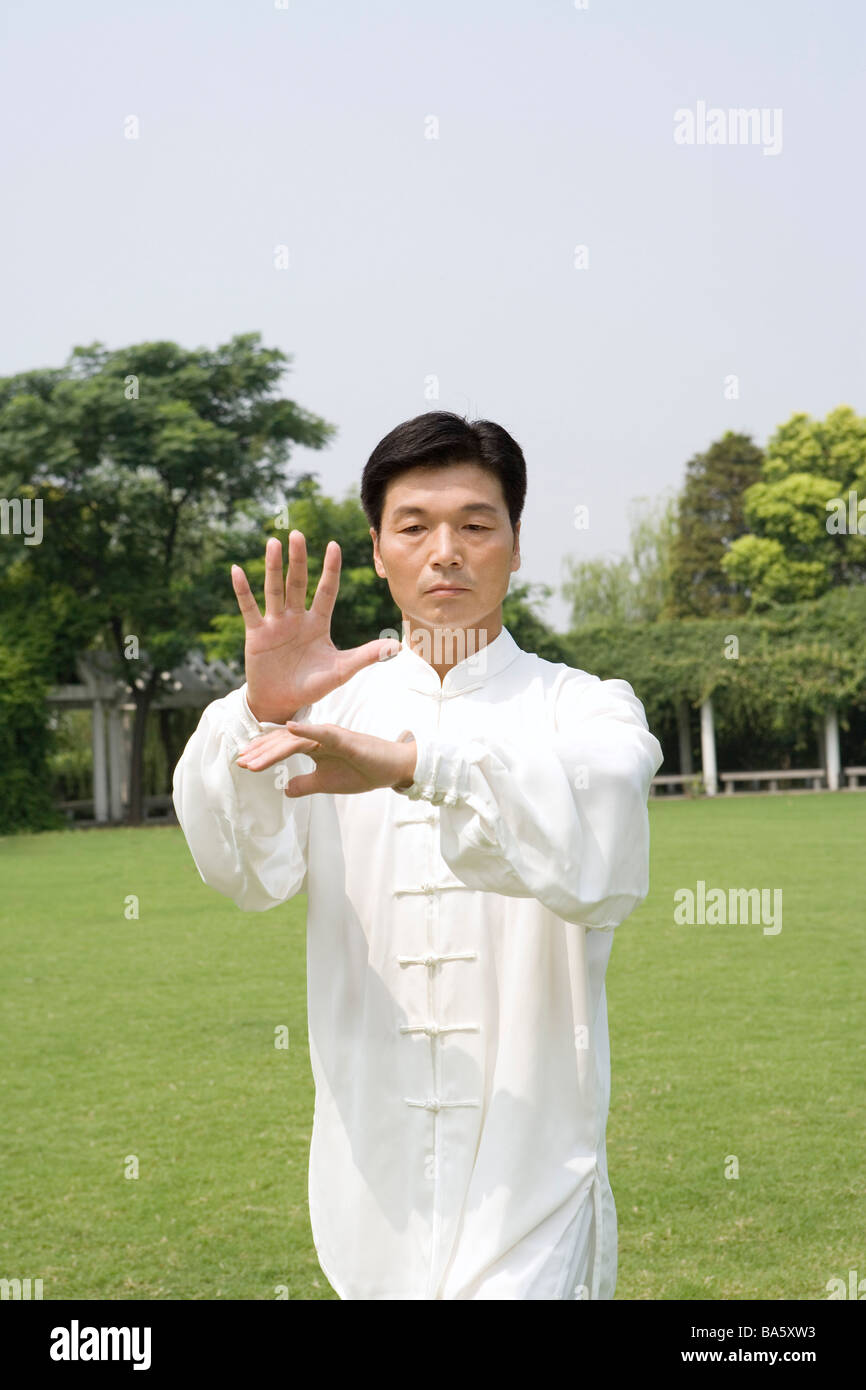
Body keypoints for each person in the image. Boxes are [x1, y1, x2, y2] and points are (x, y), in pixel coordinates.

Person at [172, 410, 663, 1300]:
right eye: (414, 526)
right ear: (375, 551)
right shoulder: (328, 711)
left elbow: (607, 830)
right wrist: (259, 710)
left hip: (535, 1160)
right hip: (371, 1162)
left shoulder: (583, 707)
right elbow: (242, 866)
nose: (447, 551)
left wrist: (417, 765)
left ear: (516, 547)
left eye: (477, 525)